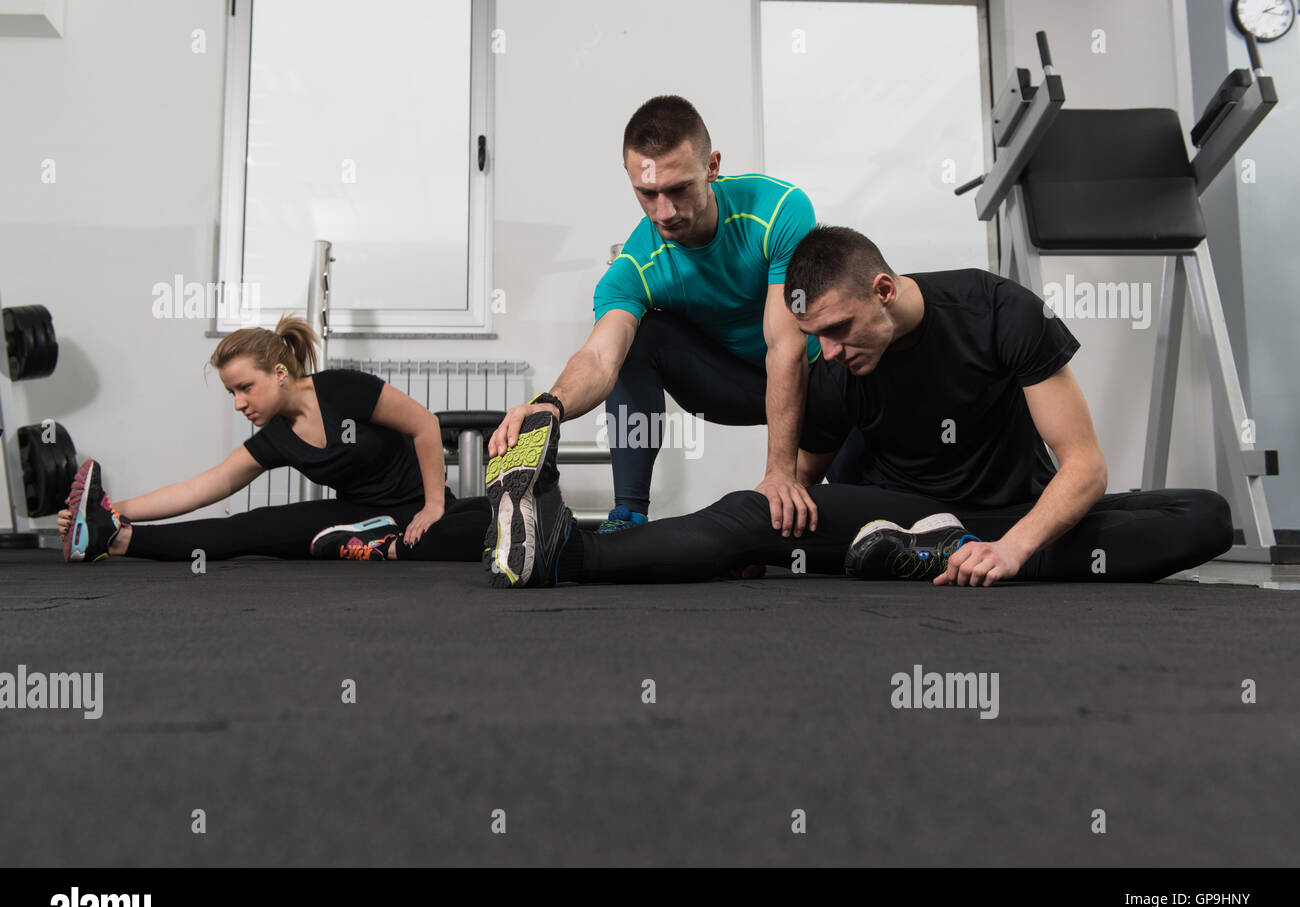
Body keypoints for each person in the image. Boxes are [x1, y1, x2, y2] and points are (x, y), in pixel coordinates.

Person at [481, 227, 1233, 588]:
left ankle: (946, 552)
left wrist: (1011, 548)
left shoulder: (1000, 312)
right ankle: (573, 551)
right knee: (756, 512)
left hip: (1008, 513)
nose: (828, 353)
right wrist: (767, 532)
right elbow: (795, 493)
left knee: (1202, 516)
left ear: (884, 289)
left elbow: (1087, 467)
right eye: (815, 337)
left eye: (837, 331)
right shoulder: (836, 371)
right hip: (898, 511)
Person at [486, 94, 853, 539]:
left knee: (858, 509)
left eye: (679, 189)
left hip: (822, 382)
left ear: (712, 166)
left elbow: (785, 346)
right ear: (630, 178)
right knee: (639, 337)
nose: (664, 212)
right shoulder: (633, 269)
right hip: (732, 386)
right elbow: (601, 358)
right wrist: (551, 403)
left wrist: (780, 473)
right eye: (648, 193)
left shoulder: (777, 210)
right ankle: (629, 515)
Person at [59, 315, 488, 563]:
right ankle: (117, 539)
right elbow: (204, 486)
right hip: (356, 514)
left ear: (279, 374)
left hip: (418, 509)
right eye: (232, 392)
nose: (238, 403)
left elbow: (425, 425)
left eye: (245, 387)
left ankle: (390, 543)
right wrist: (112, 512)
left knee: (489, 520)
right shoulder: (276, 438)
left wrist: (433, 506)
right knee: (251, 526)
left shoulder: (344, 389)